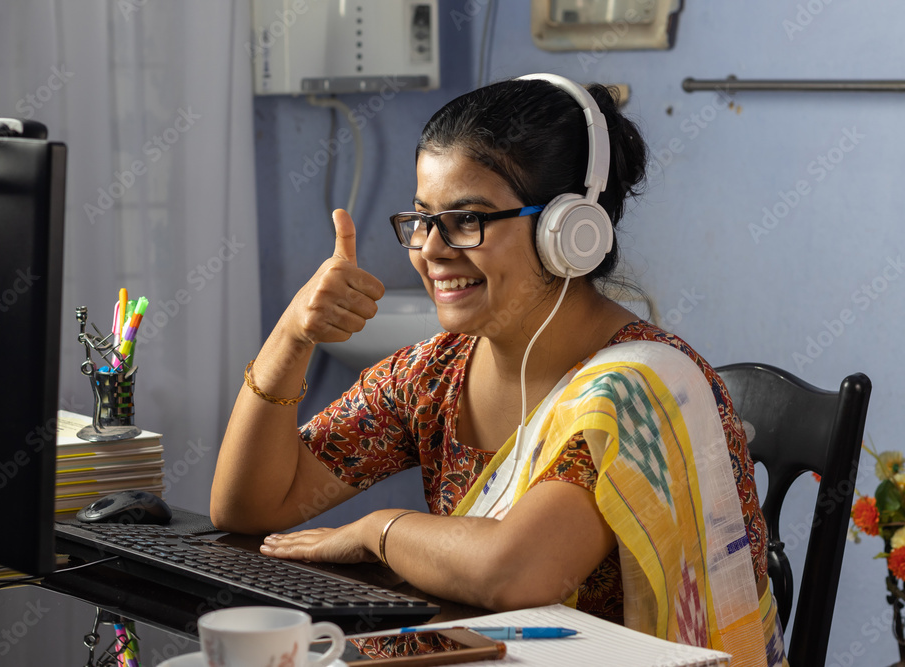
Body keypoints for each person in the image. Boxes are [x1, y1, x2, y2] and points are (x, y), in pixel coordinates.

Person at [210, 73, 786, 666]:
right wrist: (292, 335)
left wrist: (376, 529)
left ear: (568, 231)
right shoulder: (434, 375)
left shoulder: (637, 393)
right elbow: (251, 508)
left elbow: (517, 572)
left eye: (467, 220)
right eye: (422, 218)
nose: (431, 249)